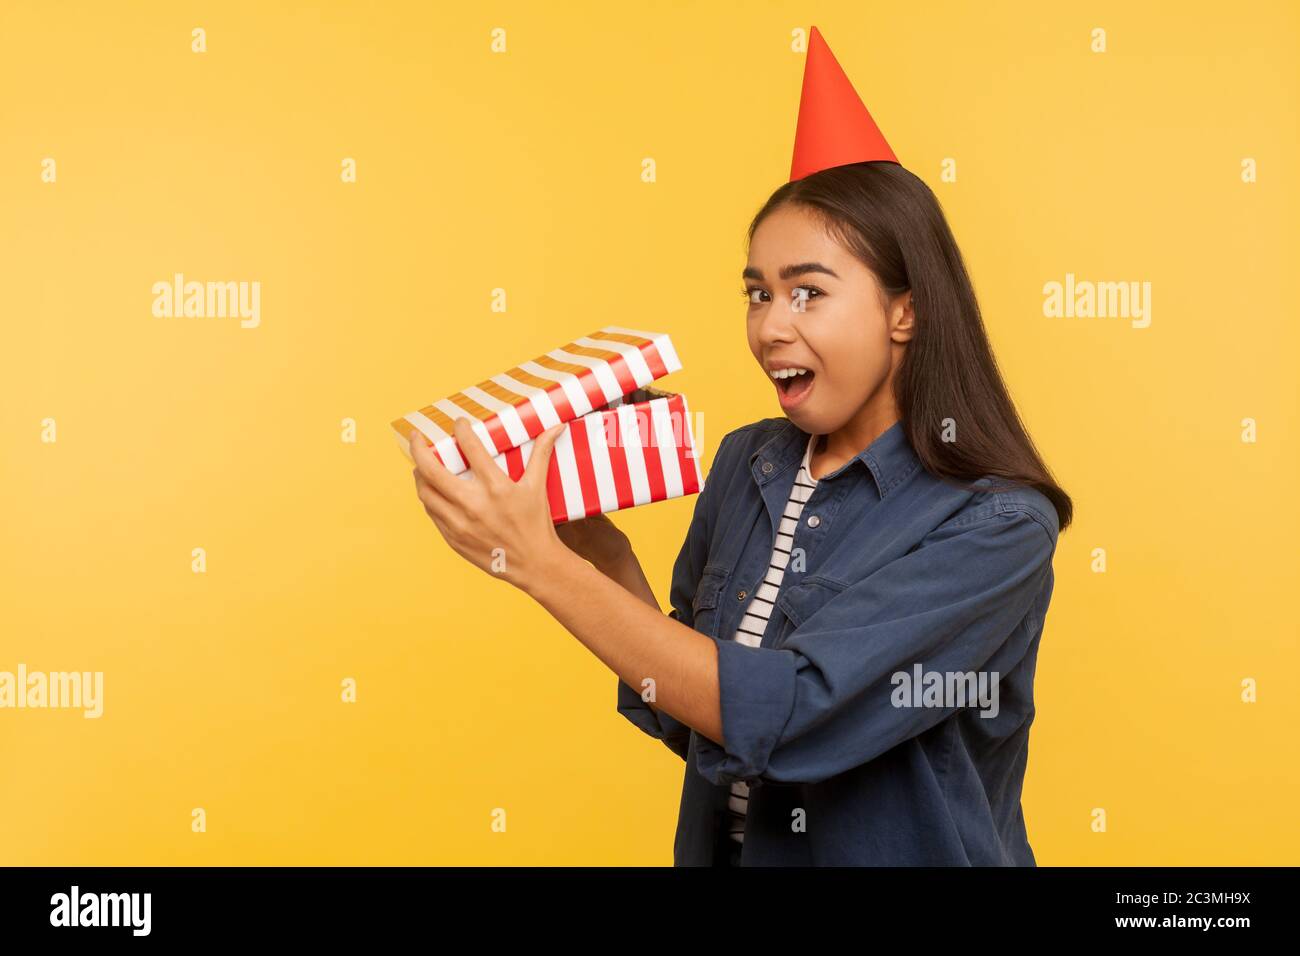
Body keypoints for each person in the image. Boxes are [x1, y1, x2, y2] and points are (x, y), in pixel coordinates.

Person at [407, 25, 1071, 866]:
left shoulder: (998, 529)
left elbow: (791, 714)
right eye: (757, 293)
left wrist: (541, 565)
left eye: (808, 293)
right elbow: (697, 710)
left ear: (906, 311)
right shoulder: (749, 463)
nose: (769, 326)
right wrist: (594, 546)